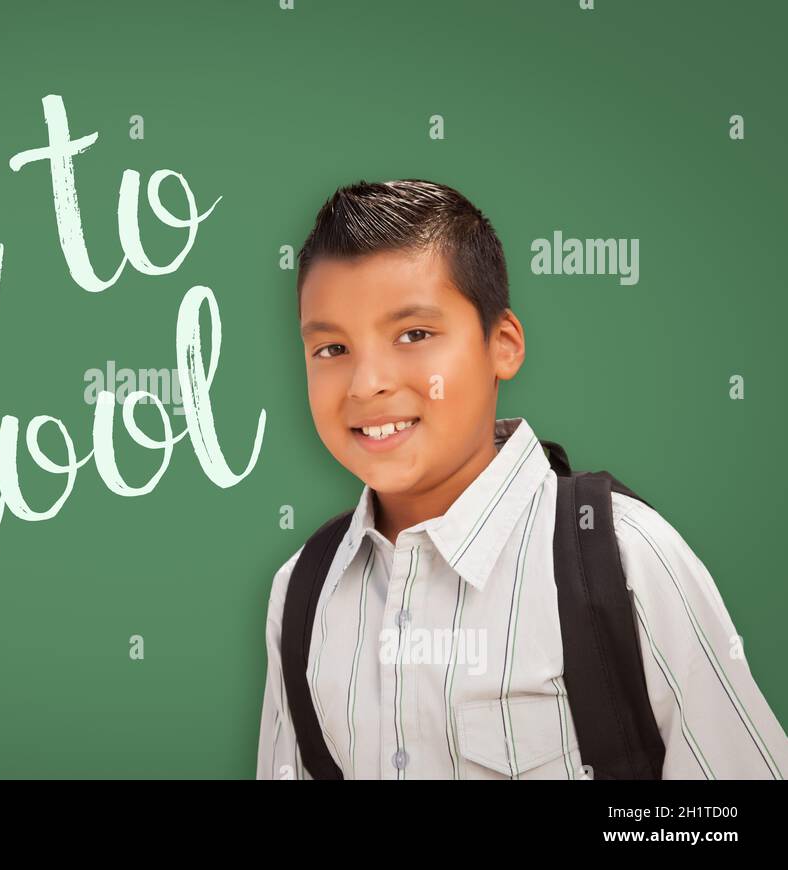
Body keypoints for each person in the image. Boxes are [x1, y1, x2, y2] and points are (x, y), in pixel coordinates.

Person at [256, 180, 788, 779]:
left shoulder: (624, 557)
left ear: (502, 345)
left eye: (414, 335)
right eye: (331, 348)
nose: (366, 384)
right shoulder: (302, 592)